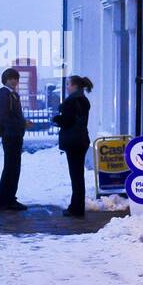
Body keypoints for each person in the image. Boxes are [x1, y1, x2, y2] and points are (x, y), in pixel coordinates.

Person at [53, 75, 93, 217]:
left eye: (69, 84)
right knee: (78, 175)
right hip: (81, 139)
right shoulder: (83, 100)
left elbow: (67, 121)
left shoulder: (72, 101)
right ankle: (77, 206)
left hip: (73, 140)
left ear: (75, 86)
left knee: (75, 175)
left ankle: (76, 208)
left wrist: (57, 119)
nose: (67, 87)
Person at [0, 67, 31, 211]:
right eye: (11, 78)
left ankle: (6, 197)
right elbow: (3, 117)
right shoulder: (4, 94)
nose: (14, 81)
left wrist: (22, 123)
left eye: (16, 78)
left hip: (15, 134)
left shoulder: (12, 94)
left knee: (13, 168)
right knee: (11, 168)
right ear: (5, 80)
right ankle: (6, 199)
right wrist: (21, 123)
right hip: (10, 136)